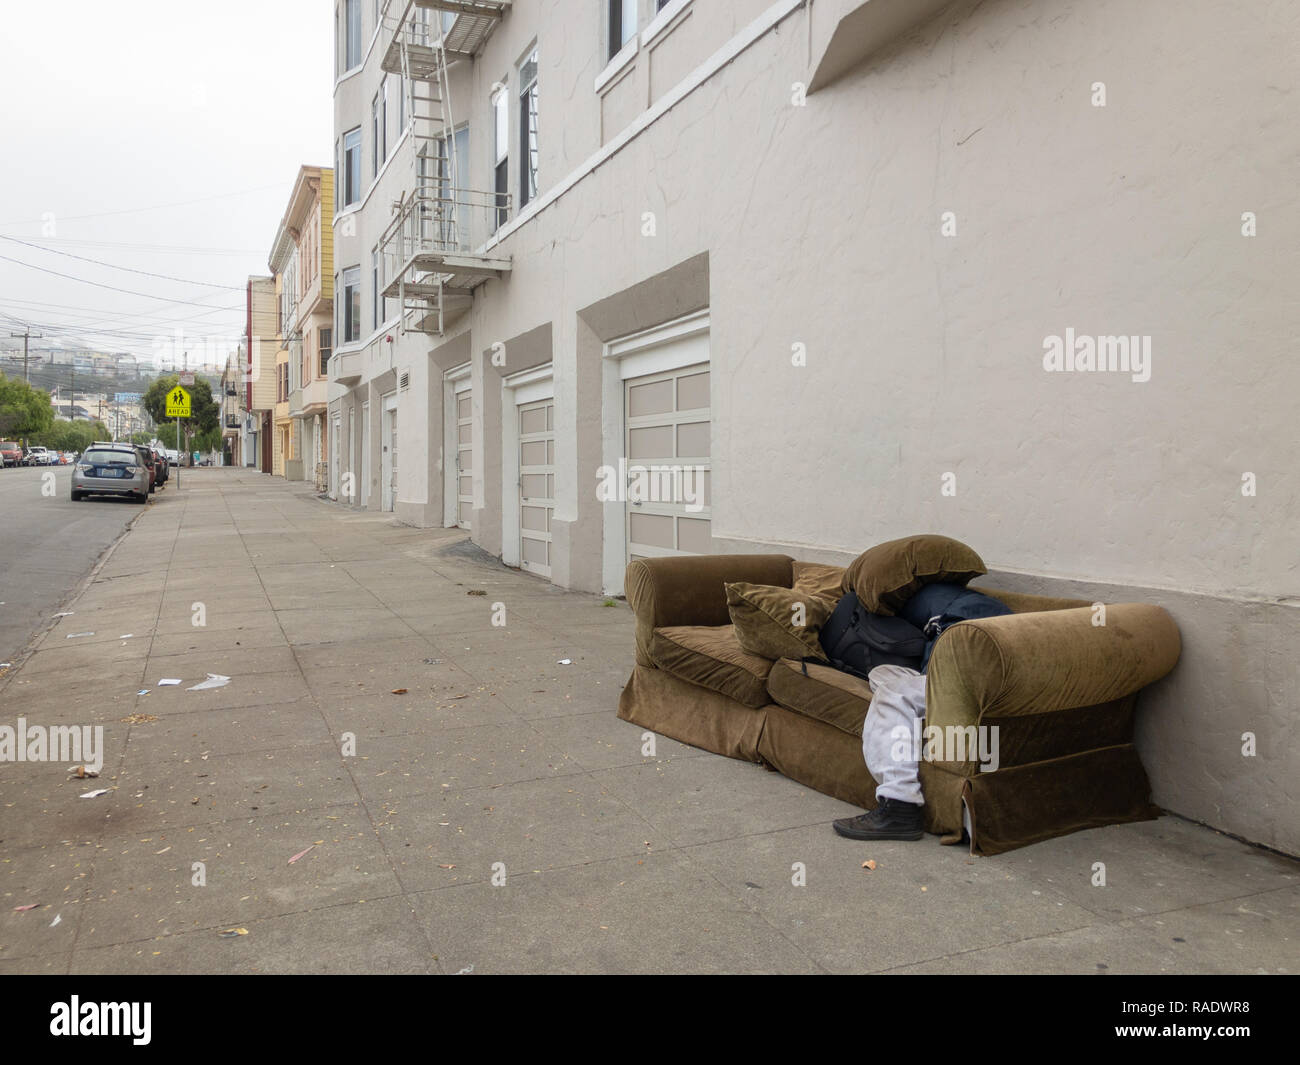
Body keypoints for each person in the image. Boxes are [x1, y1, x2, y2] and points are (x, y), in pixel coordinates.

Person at [832, 664, 927, 841]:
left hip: (968, 678)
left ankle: (900, 804)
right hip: (938, 671)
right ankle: (913, 714)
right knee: (881, 673)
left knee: (892, 693)